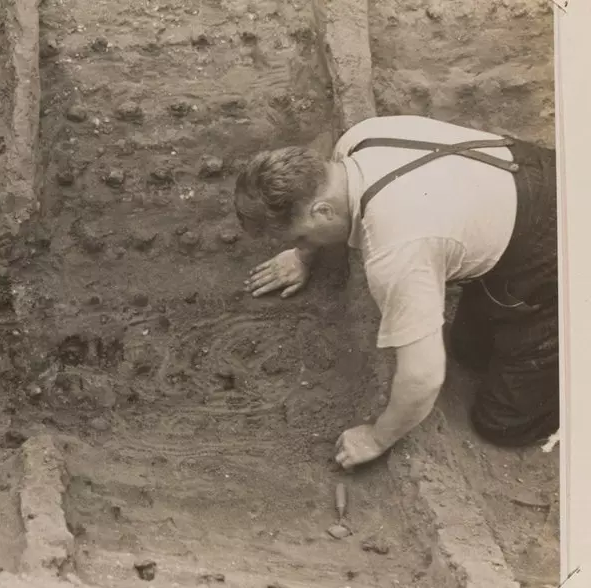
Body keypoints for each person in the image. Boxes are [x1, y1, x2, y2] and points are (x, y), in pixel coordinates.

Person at [232, 115, 558, 470]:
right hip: (532, 178)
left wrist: (377, 437)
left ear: (322, 211)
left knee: (504, 423)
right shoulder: (357, 144)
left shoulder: (395, 249)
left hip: (561, 247)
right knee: (468, 349)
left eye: (300, 237)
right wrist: (301, 256)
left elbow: (423, 376)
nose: (301, 245)